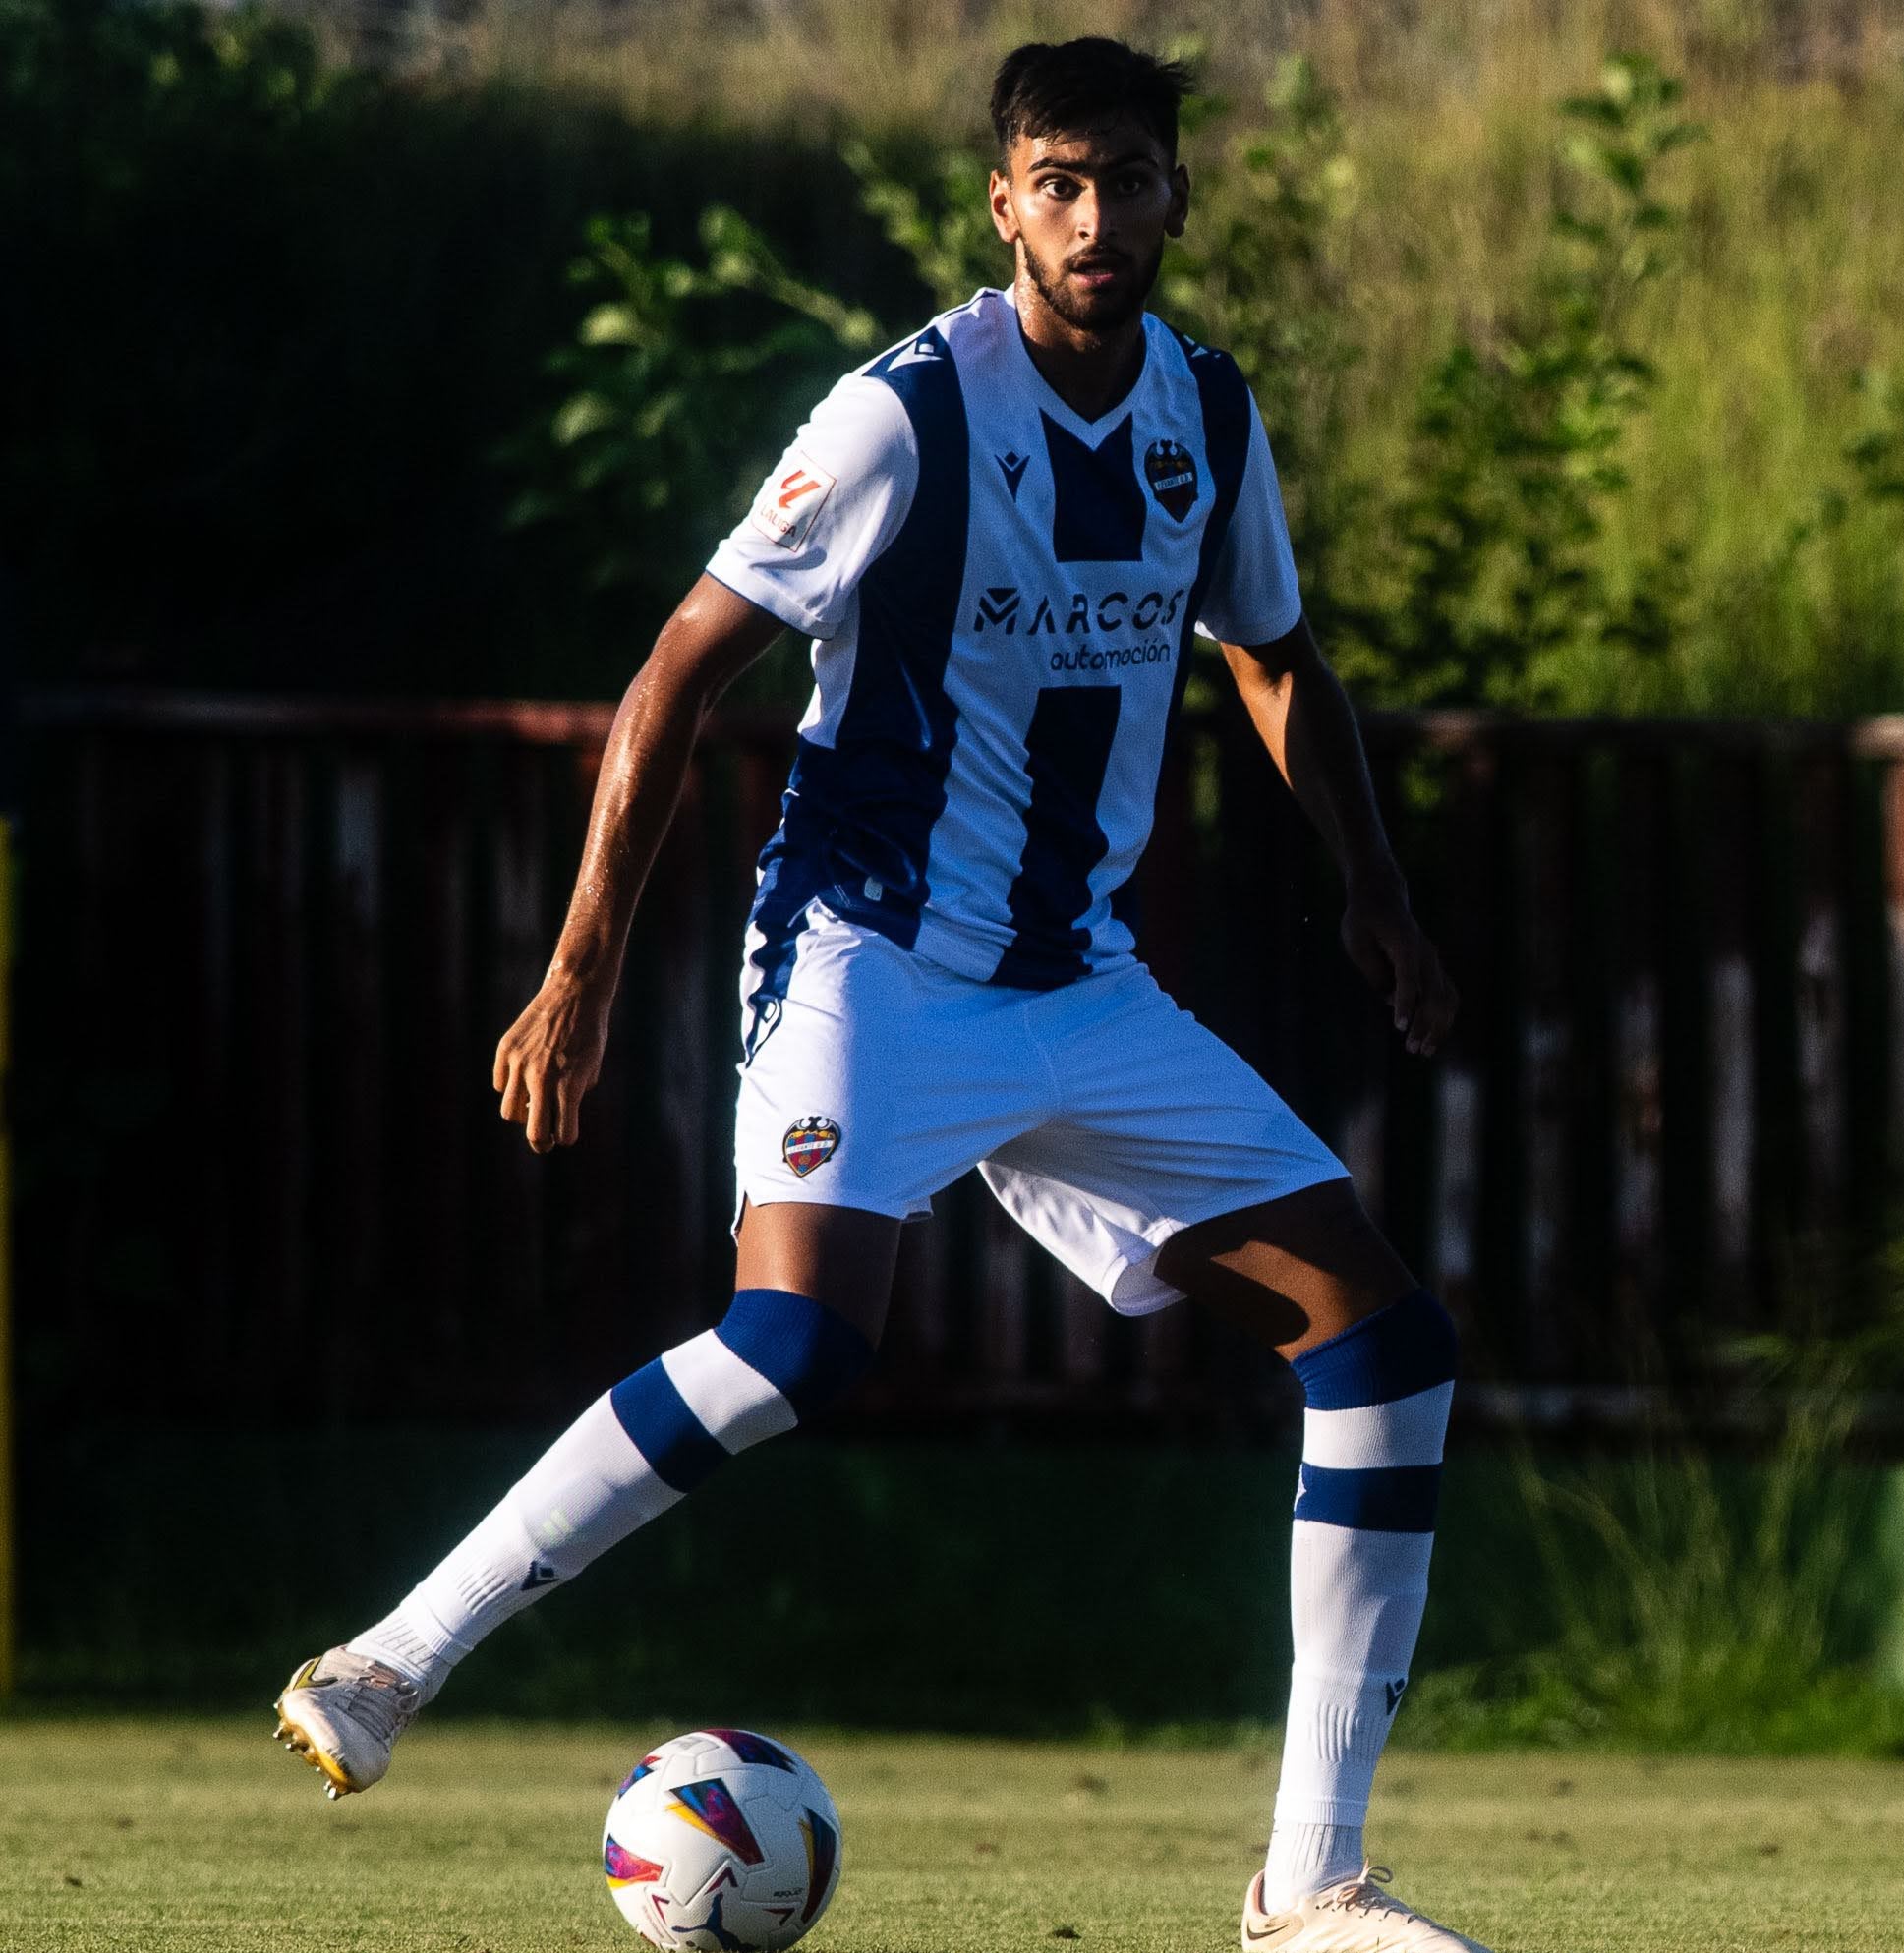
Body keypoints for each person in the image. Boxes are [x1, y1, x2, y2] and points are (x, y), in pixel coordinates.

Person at [271, 38, 1488, 1953]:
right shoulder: (902, 417)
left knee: (1384, 1352)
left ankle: (1308, 1885)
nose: (1094, 217)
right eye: (1057, 183)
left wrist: (1379, 899)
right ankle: (393, 1661)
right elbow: (679, 671)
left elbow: (1273, 658)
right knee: (796, 1350)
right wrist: (579, 968)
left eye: (1130, 180)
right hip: (869, 956)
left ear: (1179, 198)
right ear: (1003, 201)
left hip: (1081, 984)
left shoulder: (1207, 414)